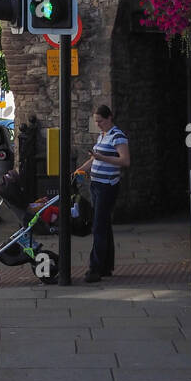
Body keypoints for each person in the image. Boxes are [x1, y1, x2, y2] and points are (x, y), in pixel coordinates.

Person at [75, 103, 129, 283]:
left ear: (109, 118)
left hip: (108, 186)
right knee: (104, 225)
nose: (97, 124)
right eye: (96, 121)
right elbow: (93, 159)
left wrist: (102, 158)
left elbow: (124, 161)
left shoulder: (118, 136)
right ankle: (106, 265)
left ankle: (95, 268)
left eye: (100, 121)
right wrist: (80, 170)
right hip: (96, 185)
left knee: (98, 226)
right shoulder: (102, 135)